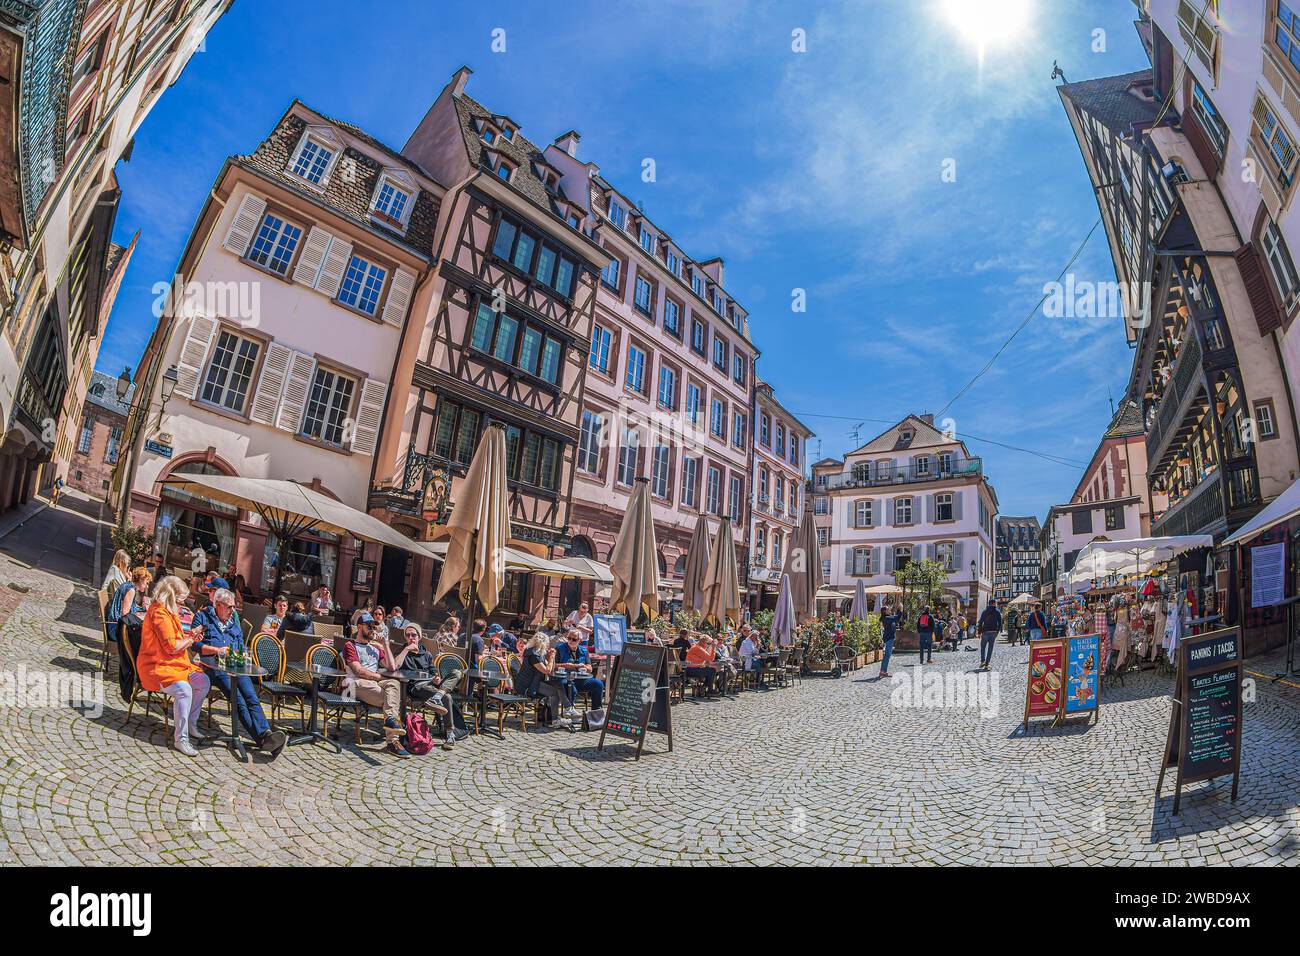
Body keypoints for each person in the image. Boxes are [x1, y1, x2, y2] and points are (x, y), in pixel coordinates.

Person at [192, 587, 287, 758]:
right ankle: (263, 739)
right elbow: (194, 645)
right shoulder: (202, 617)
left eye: (234, 607)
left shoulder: (233, 622)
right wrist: (216, 649)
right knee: (239, 700)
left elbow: (240, 644)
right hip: (215, 666)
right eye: (230, 607)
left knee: (251, 697)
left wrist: (243, 655)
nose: (233, 610)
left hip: (235, 665)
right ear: (218, 604)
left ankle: (265, 734)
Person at [137, 575, 210, 756]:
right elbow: (171, 647)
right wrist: (191, 638)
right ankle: (181, 739)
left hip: (173, 663)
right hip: (156, 665)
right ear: (170, 596)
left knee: (203, 681)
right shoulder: (159, 613)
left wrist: (190, 637)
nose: (182, 604)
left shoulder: (169, 611)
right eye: (180, 600)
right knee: (184, 689)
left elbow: (177, 642)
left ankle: (191, 723)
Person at [342, 612, 410, 757]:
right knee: (391, 699)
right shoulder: (350, 645)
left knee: (394, 683)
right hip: (354, 684)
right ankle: (393, 741)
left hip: (374, 684)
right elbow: (358, 671)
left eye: (374, 627)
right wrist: (379, 677)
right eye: (369, 626)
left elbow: (392, 667)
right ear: (359, 627)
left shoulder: (376, 648)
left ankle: (391, 728)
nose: (373, 629)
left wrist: (385, 645)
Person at [514, 632, 572, 728]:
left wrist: (550, 657)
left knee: (558, 683)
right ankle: (555, 719)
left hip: (534, 681)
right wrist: (552, 657)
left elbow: (550, 668)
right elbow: (547, 671)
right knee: (553, 692)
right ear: (542, 643)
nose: (548, 645)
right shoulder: (533, 655)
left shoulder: (538, 653)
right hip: (527, 686)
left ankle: (568, 708)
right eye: (547, 643)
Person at [554, 628, 604, 711]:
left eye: (573, 639)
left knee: (598, 684)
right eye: (569, 638)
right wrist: (565, 665)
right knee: (571, 689)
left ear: (580, 640)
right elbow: (553, 665)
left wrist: (584, 666)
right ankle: (569, 711)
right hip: (565, 679)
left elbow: (590, 668)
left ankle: (596, 711)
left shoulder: (584, 650)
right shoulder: (560, 648)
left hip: (580, 680)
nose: (570, 641)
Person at [109, 567, 152, 646]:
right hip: (116, 629)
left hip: (116, 625)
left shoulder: (128, 585)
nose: (147, 586)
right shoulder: (131, 590)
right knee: (145, 639)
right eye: (147, 582)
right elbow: (125, 615)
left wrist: (140, 611)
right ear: (141, 579)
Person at [977, 602, 1003, 670]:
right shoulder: (997, 612)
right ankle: (987, 664)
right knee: (990, 648)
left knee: (983, 647)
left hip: (985, 632)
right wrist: (998, 631)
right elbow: (1000, 622)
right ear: (994, 604)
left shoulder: (985, 611)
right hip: (994, 632)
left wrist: (979, 632)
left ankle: (982, 661)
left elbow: (981, 622)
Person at [879, 604, 902, 678]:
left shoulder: (886, 618)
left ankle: (882, 671)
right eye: (888, 609)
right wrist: (900, 610)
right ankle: (883, 671)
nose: (890, 610)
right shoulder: (886, 618)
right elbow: (897, 618)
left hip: (889, 638)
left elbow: (895, 618)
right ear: (885, 611)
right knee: (887, 656)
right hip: (889, 639)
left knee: (886, 655)